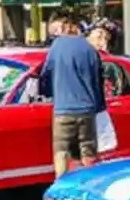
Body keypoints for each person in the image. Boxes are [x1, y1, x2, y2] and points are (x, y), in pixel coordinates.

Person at [39, 21, 105, 178]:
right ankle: (89, 185)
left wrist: (48, 93)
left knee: (62, 151)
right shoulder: (90, 49)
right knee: (88, 151)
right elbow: (99, 81)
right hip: (87, 111)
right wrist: (100, 106)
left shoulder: (57, 47)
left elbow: (45, 75)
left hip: (64, 110)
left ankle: (61, 189)